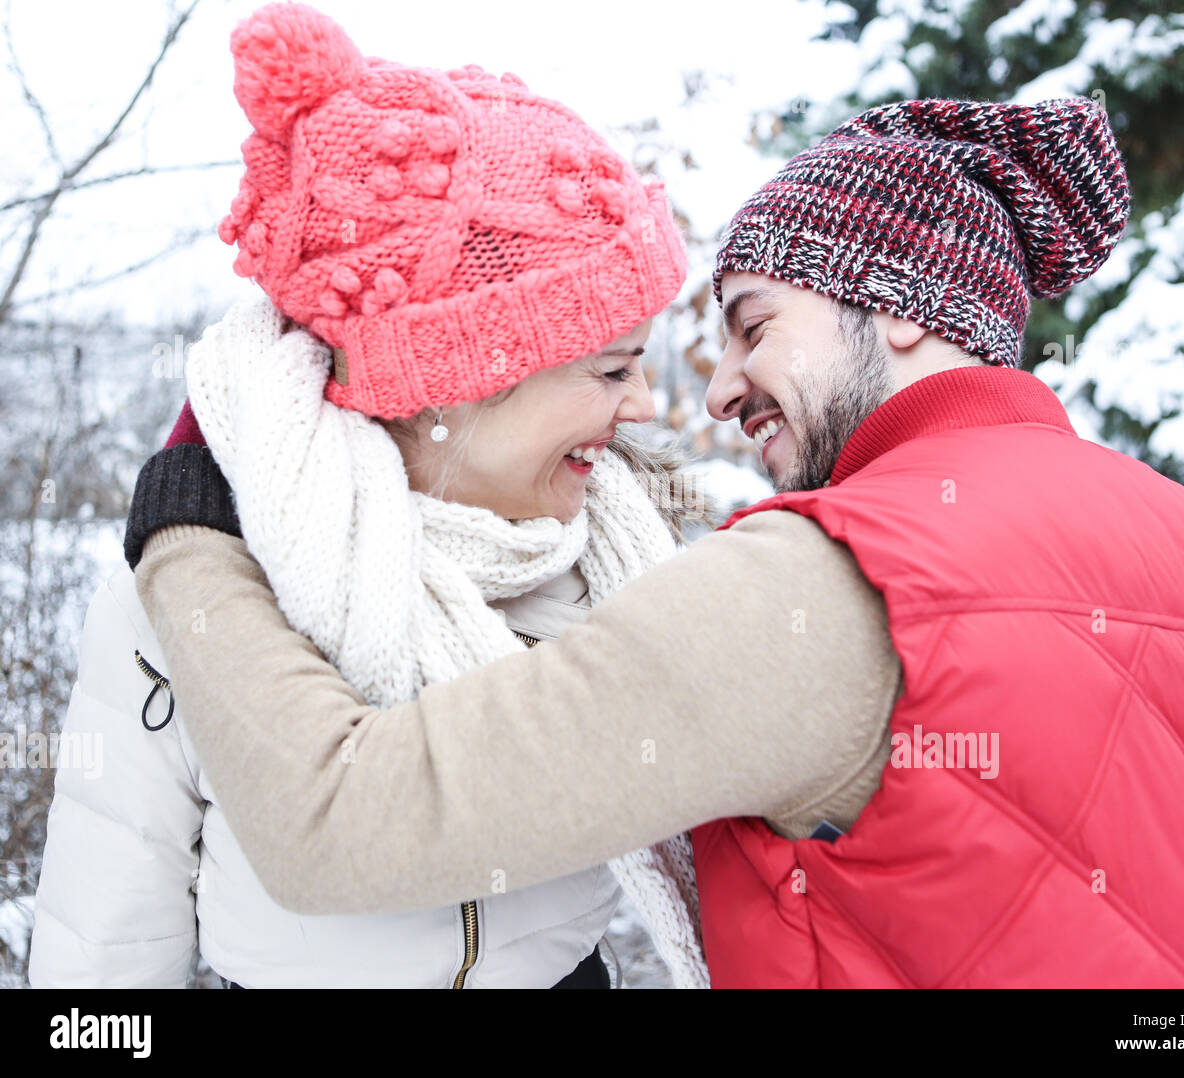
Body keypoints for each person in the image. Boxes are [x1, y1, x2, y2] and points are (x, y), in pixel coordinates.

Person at [124, 94, 1184, 988]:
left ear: (895, 304)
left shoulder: (824, 588)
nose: (719, 390)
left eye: (752, 325)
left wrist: (193, 523)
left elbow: (337, 822)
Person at [29, 2, 711, 989]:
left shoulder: (603, 565)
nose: (645, 405)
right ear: (458, 380)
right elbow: (102, 949)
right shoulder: (190, 603)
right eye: (611, 370)